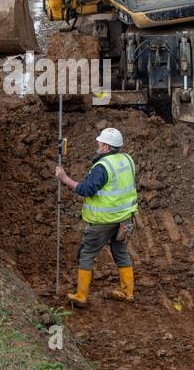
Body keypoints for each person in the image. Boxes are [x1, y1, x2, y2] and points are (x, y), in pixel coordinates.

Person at [54, 127, 138, 307]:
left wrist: (64, 178)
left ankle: (81, 296)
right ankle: (127, 292)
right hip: (125, 219)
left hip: (103, 222)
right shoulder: (127, 159)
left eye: (100, 142)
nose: (97, 144)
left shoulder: (103, 167)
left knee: (87, 253)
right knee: (121, 253)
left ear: (106, 147)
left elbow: (86, 190)